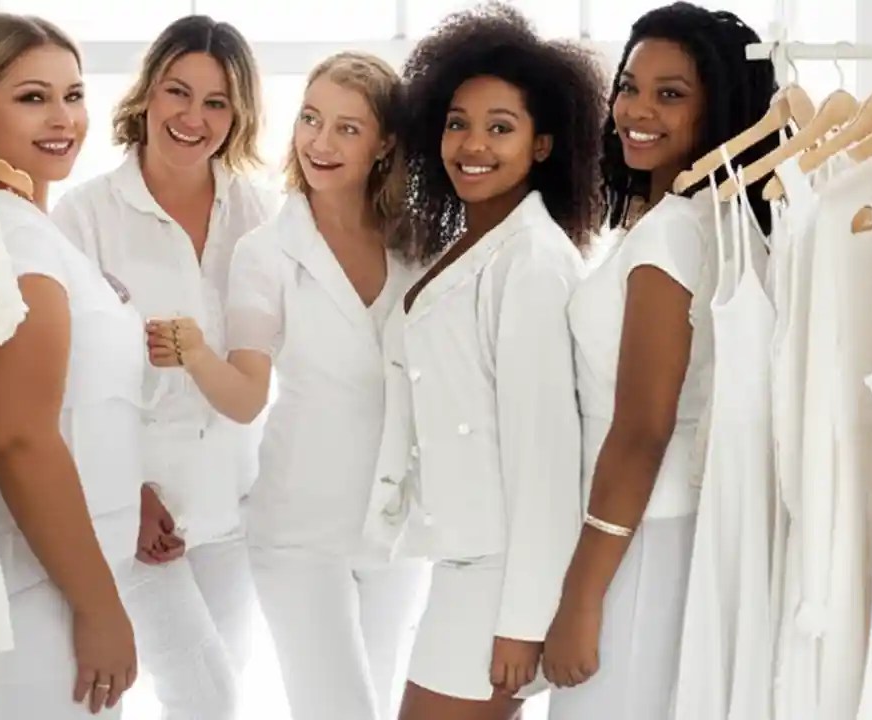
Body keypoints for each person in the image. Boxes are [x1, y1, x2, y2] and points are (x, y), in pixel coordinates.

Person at [146, 51, 428, 720]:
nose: (319, 143)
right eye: (310, 118)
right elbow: (246, 397)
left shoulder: (417, 246)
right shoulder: (267, 252)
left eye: (347, 128)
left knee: (380, 701)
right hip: (300, 530)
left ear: (385, 143)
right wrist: (195, 353)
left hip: (394, 526)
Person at [542, 4, 778, 719]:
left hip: (635, 540)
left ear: (719, 107)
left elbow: (643, 429)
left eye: (670, 94)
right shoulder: (721, 216)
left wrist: (581, 595)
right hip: (666, 527)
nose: (637, 110)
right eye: (629, 86)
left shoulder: (672, 235)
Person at [374, 4, 608, 719]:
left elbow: (545, 455)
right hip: (463, 558)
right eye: (457, 123)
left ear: (543, 145)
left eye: (500, 127)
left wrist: (524, 619)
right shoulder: (477, 245)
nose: (472, 145)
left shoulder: (532, 262)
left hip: (500, 575)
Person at [51, 16, 271, 718]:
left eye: (216, 102)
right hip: (134, 510)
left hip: (232, 506)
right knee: (208, 699)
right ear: (147, 92)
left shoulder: (257, 215)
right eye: (178, 91)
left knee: (216, 693)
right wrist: (129, 492)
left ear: (237, 116)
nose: (193, 117)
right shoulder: (84, 216)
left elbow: (259, 373)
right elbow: (62, 385)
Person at [0, 14, 142, 719]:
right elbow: (16, 436)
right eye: (33, 97)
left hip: (57, 583)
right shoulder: (12, 237)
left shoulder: (28, 228)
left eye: (73, 95)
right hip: (36, 598)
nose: (63, 119)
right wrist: (100, 607)